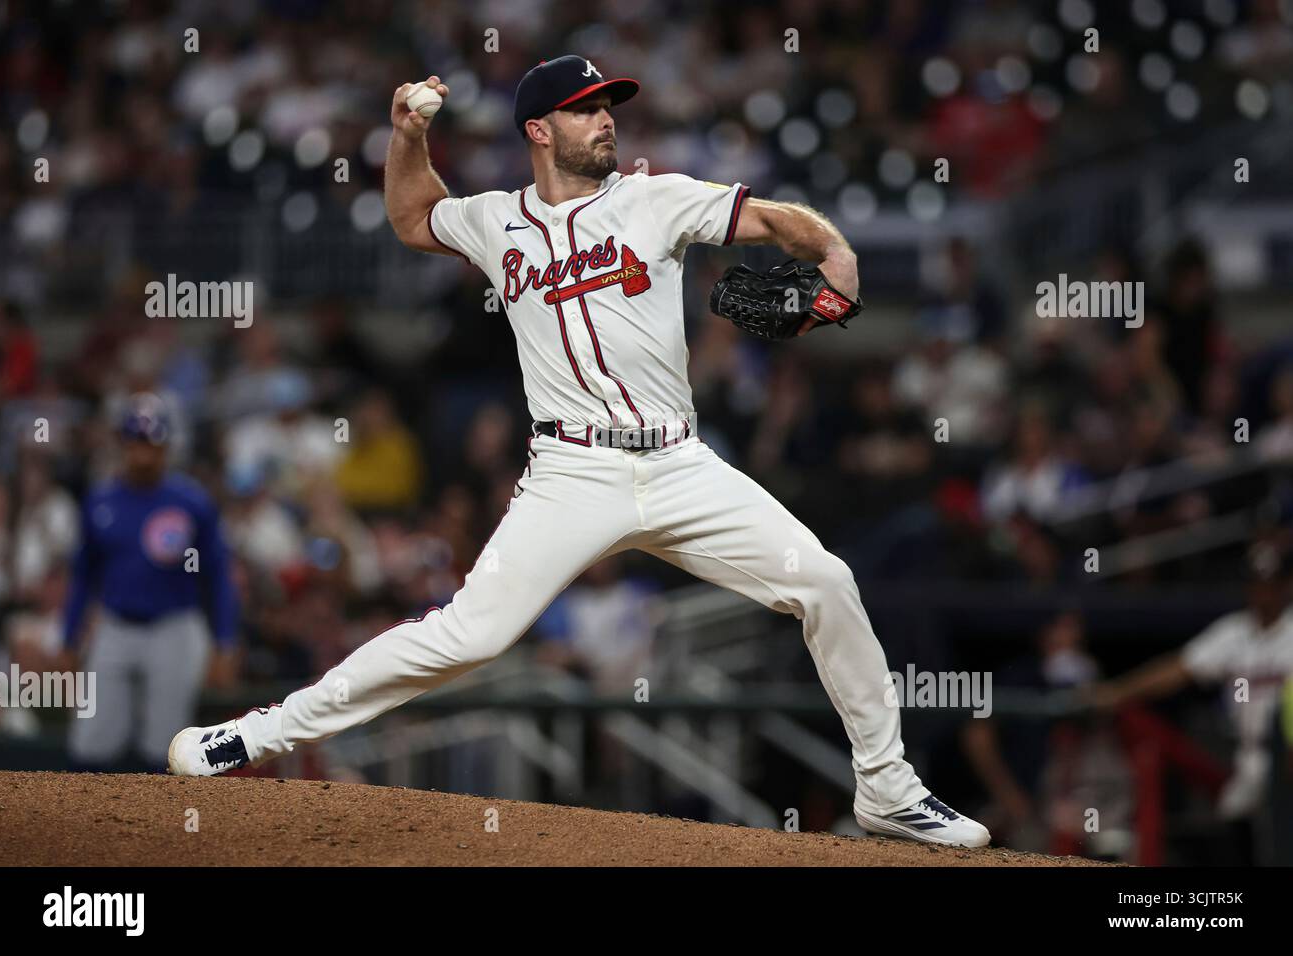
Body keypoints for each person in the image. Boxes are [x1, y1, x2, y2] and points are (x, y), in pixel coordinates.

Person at [168, 56, 989, 847]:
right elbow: (415, 217)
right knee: (469, 637)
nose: (605, 119)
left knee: (826, 582)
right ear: (538, 129)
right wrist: (408, 137)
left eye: (609, 106)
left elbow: (775, 220)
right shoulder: (497, 220)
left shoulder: (655, 199)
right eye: (587, 107)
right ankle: (258, 734)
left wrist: (837, 258)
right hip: (572, 472)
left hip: (679, 465)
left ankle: (888, 788)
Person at [63, 393, 239, 771]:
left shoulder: (191, 501)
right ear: (123, 444)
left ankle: (160, 828)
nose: (144, 453)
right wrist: (68, 637)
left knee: (166, 747)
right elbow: (83, 577)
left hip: (173, 628)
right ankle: (88, 826)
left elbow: (218, 577)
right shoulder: (100, 501)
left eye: (152, 443)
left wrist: (224, 642)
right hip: (115, 625)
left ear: (166, 446)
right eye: (137, 442)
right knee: (92, 742)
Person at [1089, 543, 1293, 823]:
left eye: (1271, 583)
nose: (1262, 592)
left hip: (1288, 756)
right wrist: (1117, 691)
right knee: (1237, 819)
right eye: (1256, 583)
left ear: (1286, 585)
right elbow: (1178, 669)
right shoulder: (1235, 631)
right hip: (1251, 757)